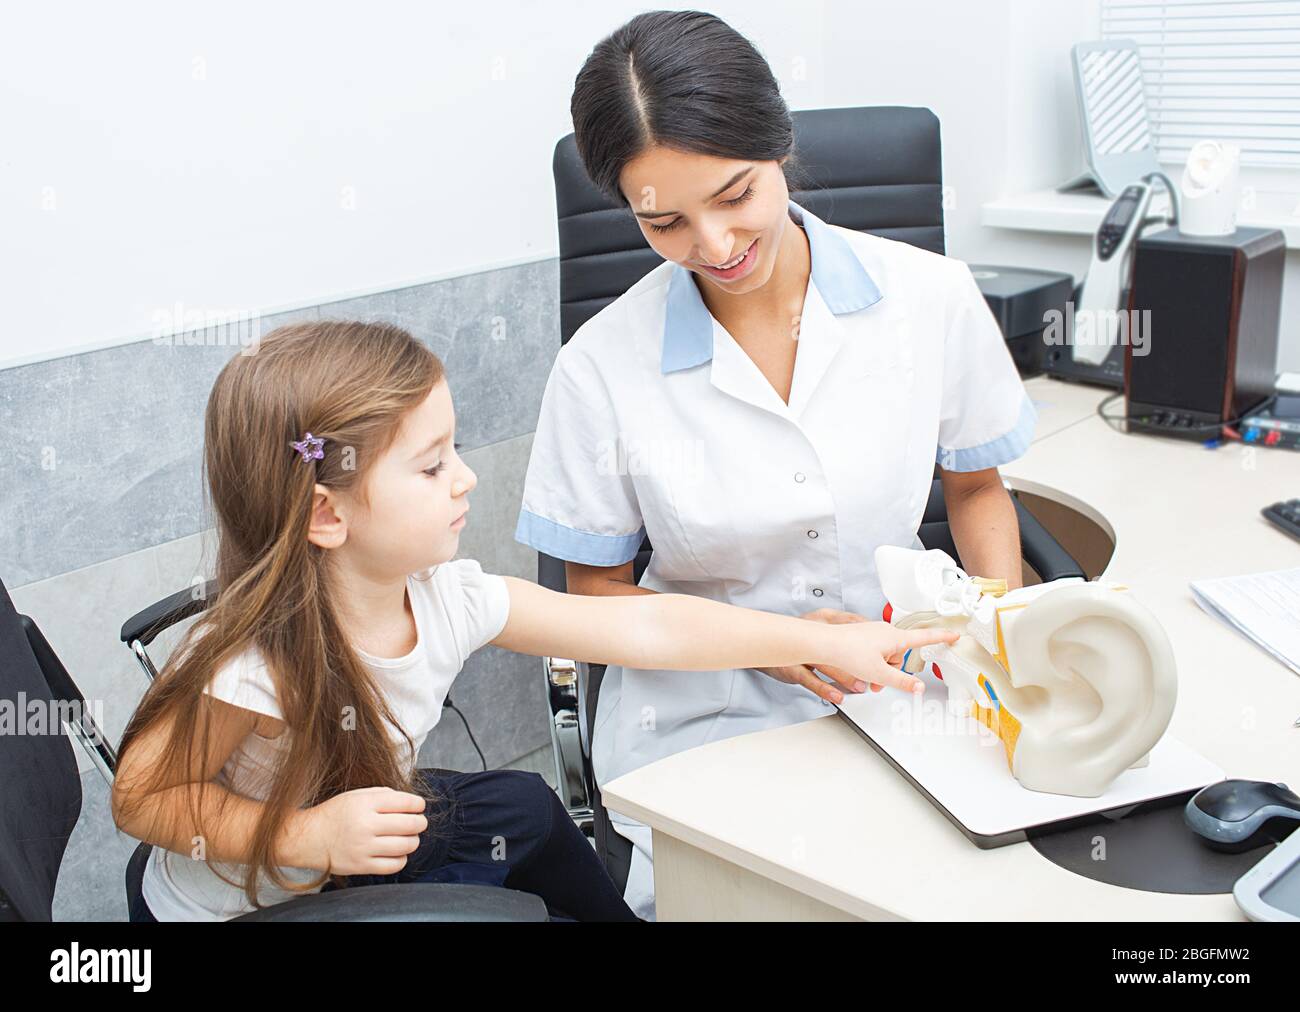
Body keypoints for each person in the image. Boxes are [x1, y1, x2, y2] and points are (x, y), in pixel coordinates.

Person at [111, 320, 956, 922]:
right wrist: (303, 833)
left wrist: (814, 639)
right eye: (433, 463)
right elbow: (142, 800)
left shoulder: (444, 595)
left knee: (523, 806)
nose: (467, 479)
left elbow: (642, 630)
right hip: (245, 904)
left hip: (343, 841)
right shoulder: (254, 669)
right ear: (327, 517)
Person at [515, 10, 1037, 919]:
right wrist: (791, 646)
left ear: (779, 148)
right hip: (706, 718)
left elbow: (978, 487)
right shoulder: (601, 365)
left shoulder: (929, 298)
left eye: (734, 195)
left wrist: (995, 632)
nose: (714, 247)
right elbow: (590, 596)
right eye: (664, 221)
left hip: (916, 681)